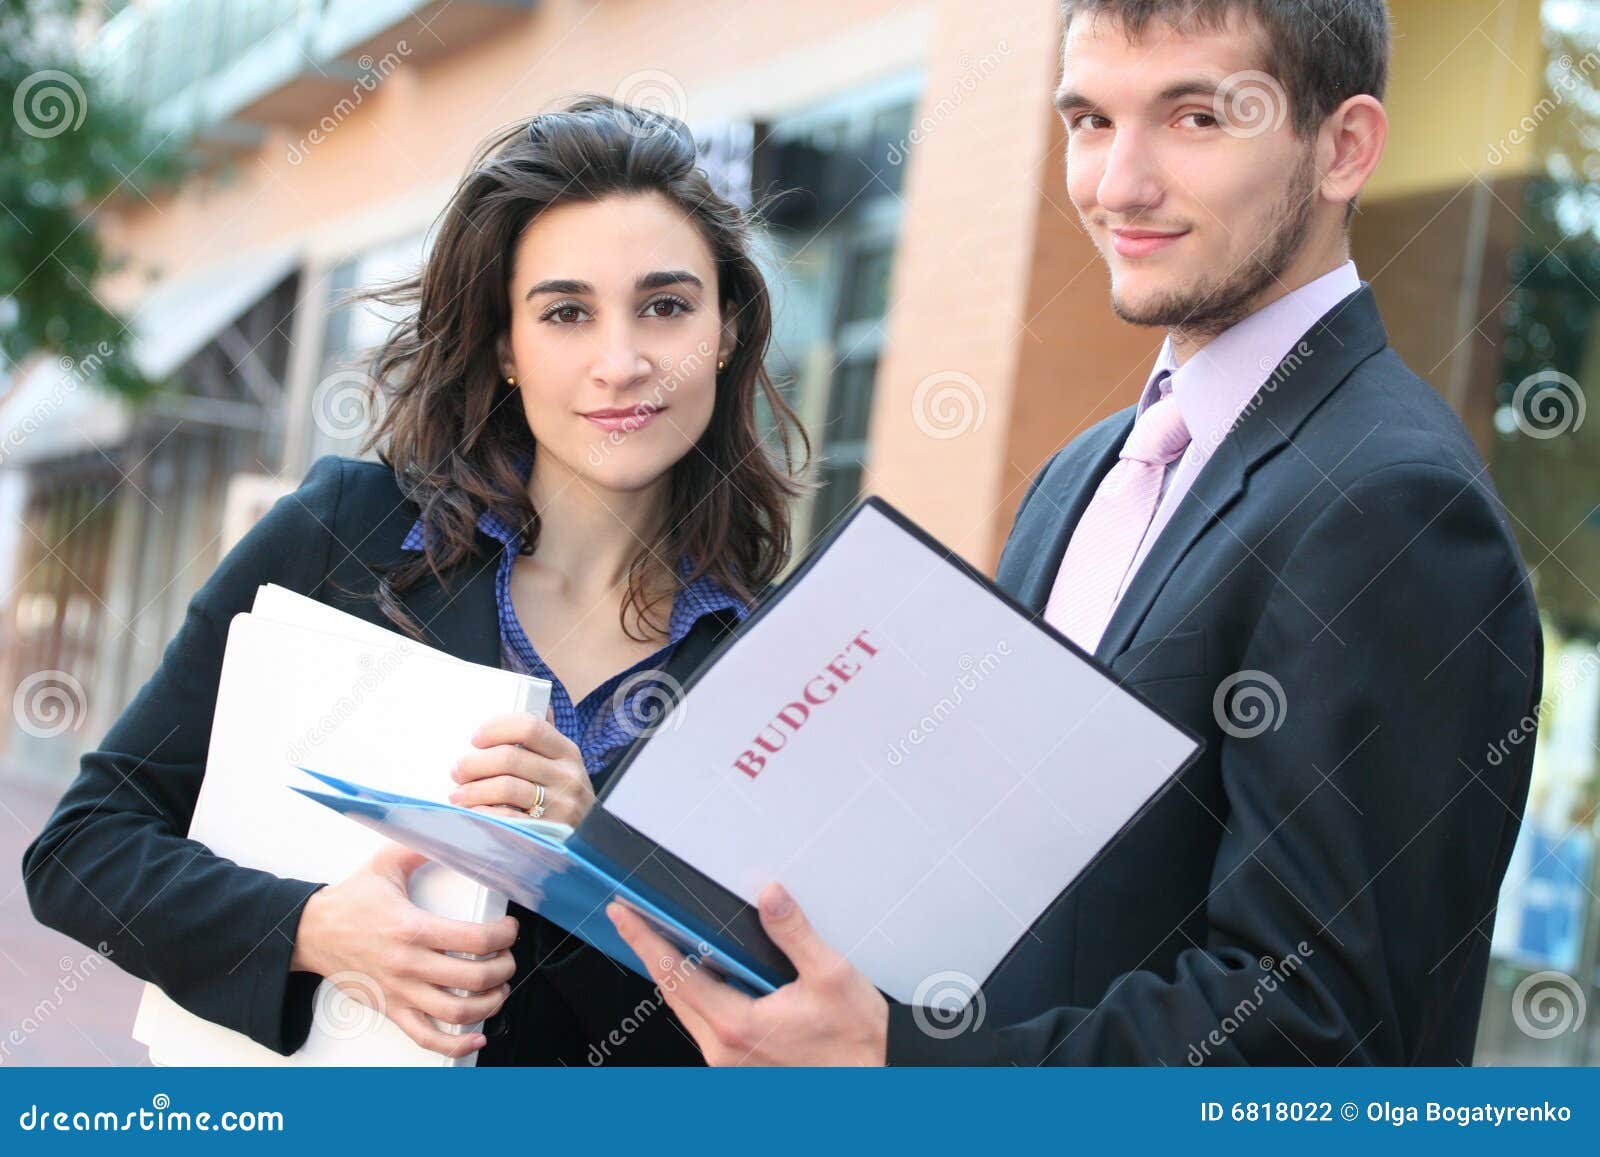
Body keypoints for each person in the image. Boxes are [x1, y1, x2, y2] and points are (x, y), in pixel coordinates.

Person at [607, 0, 1545, 1065]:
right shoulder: (1079, 472)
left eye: (1194, 117)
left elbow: (1321, 1032)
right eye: (1090, 121)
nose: (1118, 184)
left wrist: (900, 1067)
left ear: (1342, 148)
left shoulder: (1392, 502)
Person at [23, 95, 807, 1065]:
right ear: (502, 347)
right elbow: (81, 851)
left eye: (666, 305)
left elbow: (762, 1031)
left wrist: (593, 856)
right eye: (565, 312)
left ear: (725, 331)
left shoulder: (775, 661)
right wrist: (313, 928)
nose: (622, 360)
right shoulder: (344, 533)